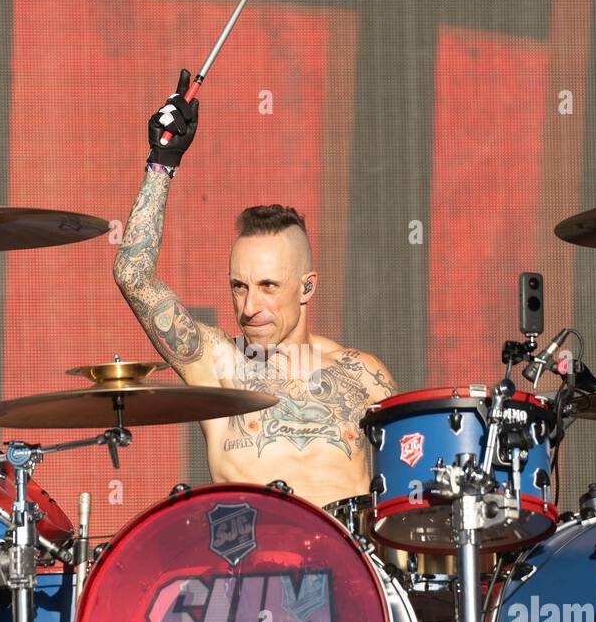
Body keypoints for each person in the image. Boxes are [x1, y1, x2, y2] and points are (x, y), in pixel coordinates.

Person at [112, 71, 399, 508]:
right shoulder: (217, 364)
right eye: (239, 287)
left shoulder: (364, 374)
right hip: (249, 566)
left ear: (307, 288)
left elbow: (407, 489)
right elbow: (133, 275)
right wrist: (161, 162)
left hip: (351, 568)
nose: (249, 307)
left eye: (268, 287)